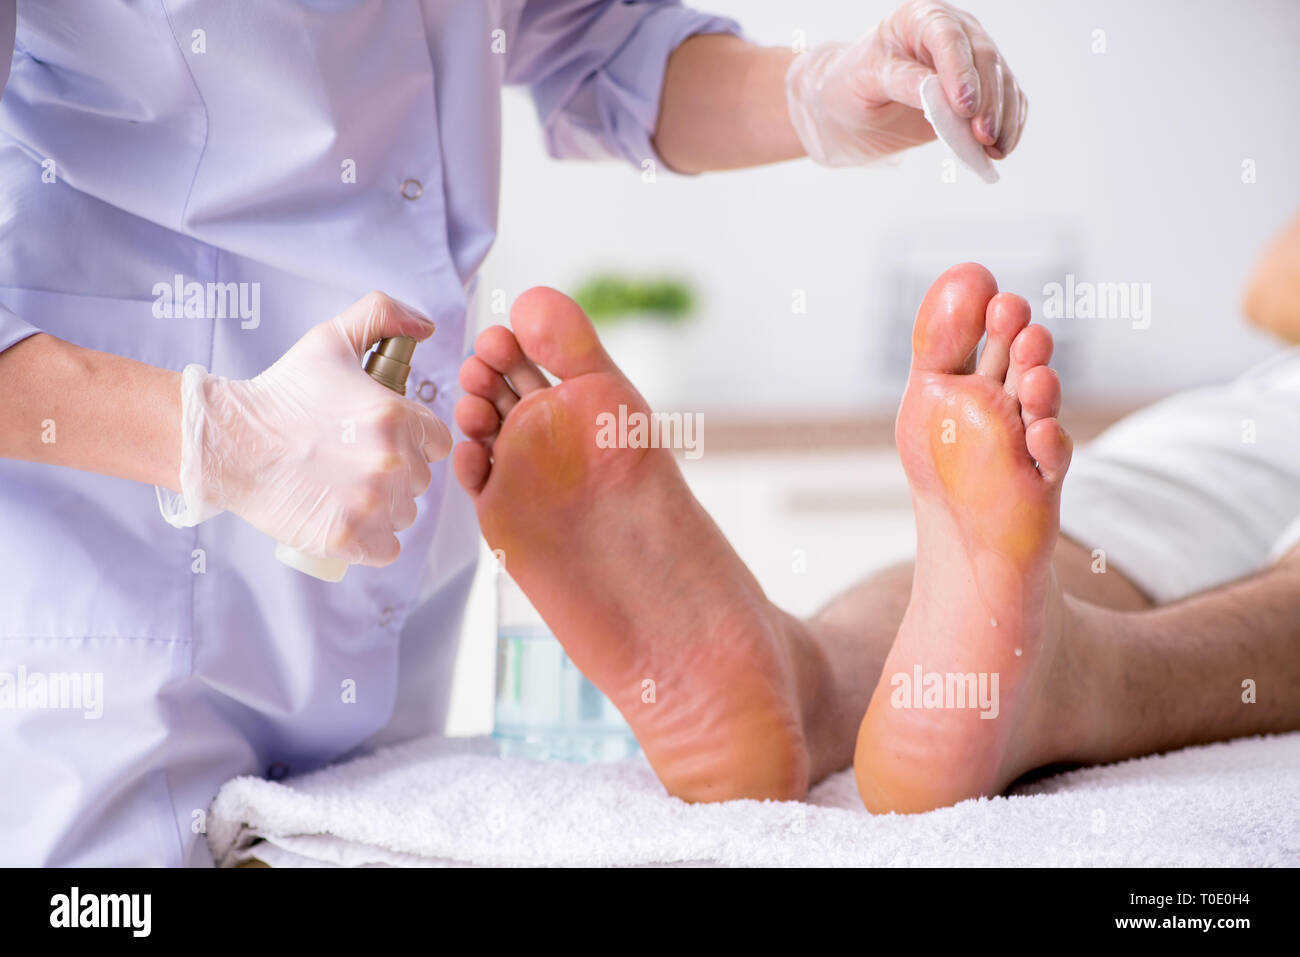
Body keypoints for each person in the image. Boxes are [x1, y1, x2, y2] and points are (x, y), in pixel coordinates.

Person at [0, 2, 1027, 863]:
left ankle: (835, 679)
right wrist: (221, 436)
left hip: (378, 556)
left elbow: (595, 42)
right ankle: (890, 676)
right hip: (107, 588)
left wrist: (818, 94)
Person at [453, 257, 1300, 811]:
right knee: (1088, 525)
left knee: (1104, 519)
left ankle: (1071, 677)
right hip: (1268, 400)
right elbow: (1273, 285)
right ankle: (808, 682)